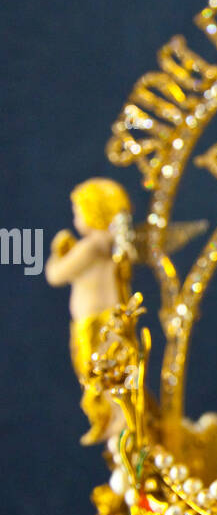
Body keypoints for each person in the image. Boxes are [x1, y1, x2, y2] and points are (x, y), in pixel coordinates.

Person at [45, 178, 132, 443]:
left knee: (98, 375)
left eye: (77, 211)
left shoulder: (92, 246)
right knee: (109, 374)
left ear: (94, 212)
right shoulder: (111, 243)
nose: (75, 218)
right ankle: (114, 418)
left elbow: (56, 275)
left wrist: (57, 251)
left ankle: (115, 418)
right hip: (110, 322)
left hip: (94, 325)